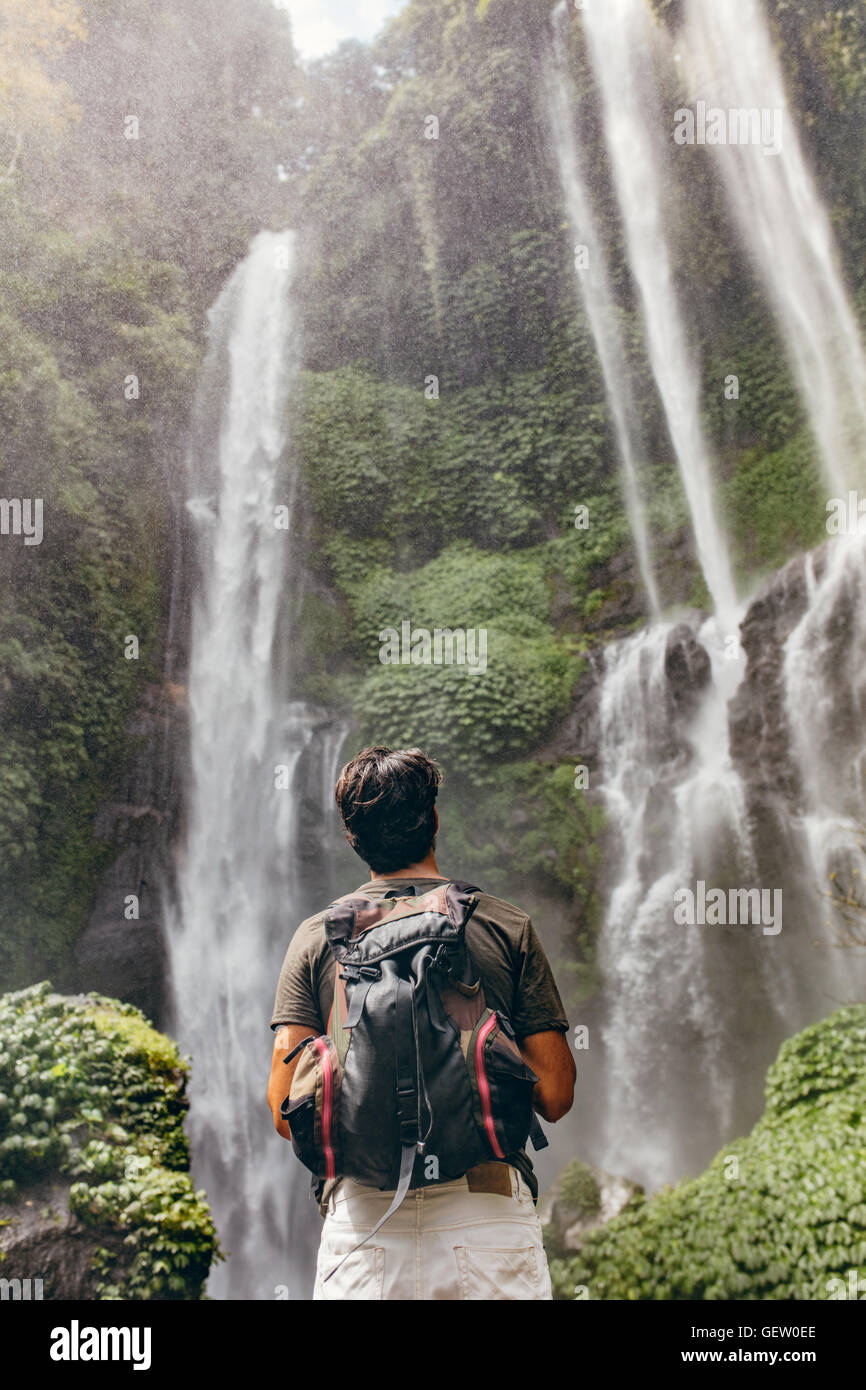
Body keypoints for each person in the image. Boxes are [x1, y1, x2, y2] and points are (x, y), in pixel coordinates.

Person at [267, 745, 576, 1300]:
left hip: (363, 1225)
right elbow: (554, 1094)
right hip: (486, 1215)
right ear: (434, 819)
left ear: (351, 835)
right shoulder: (507, 927)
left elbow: (285, 1111)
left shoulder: (318, 938)